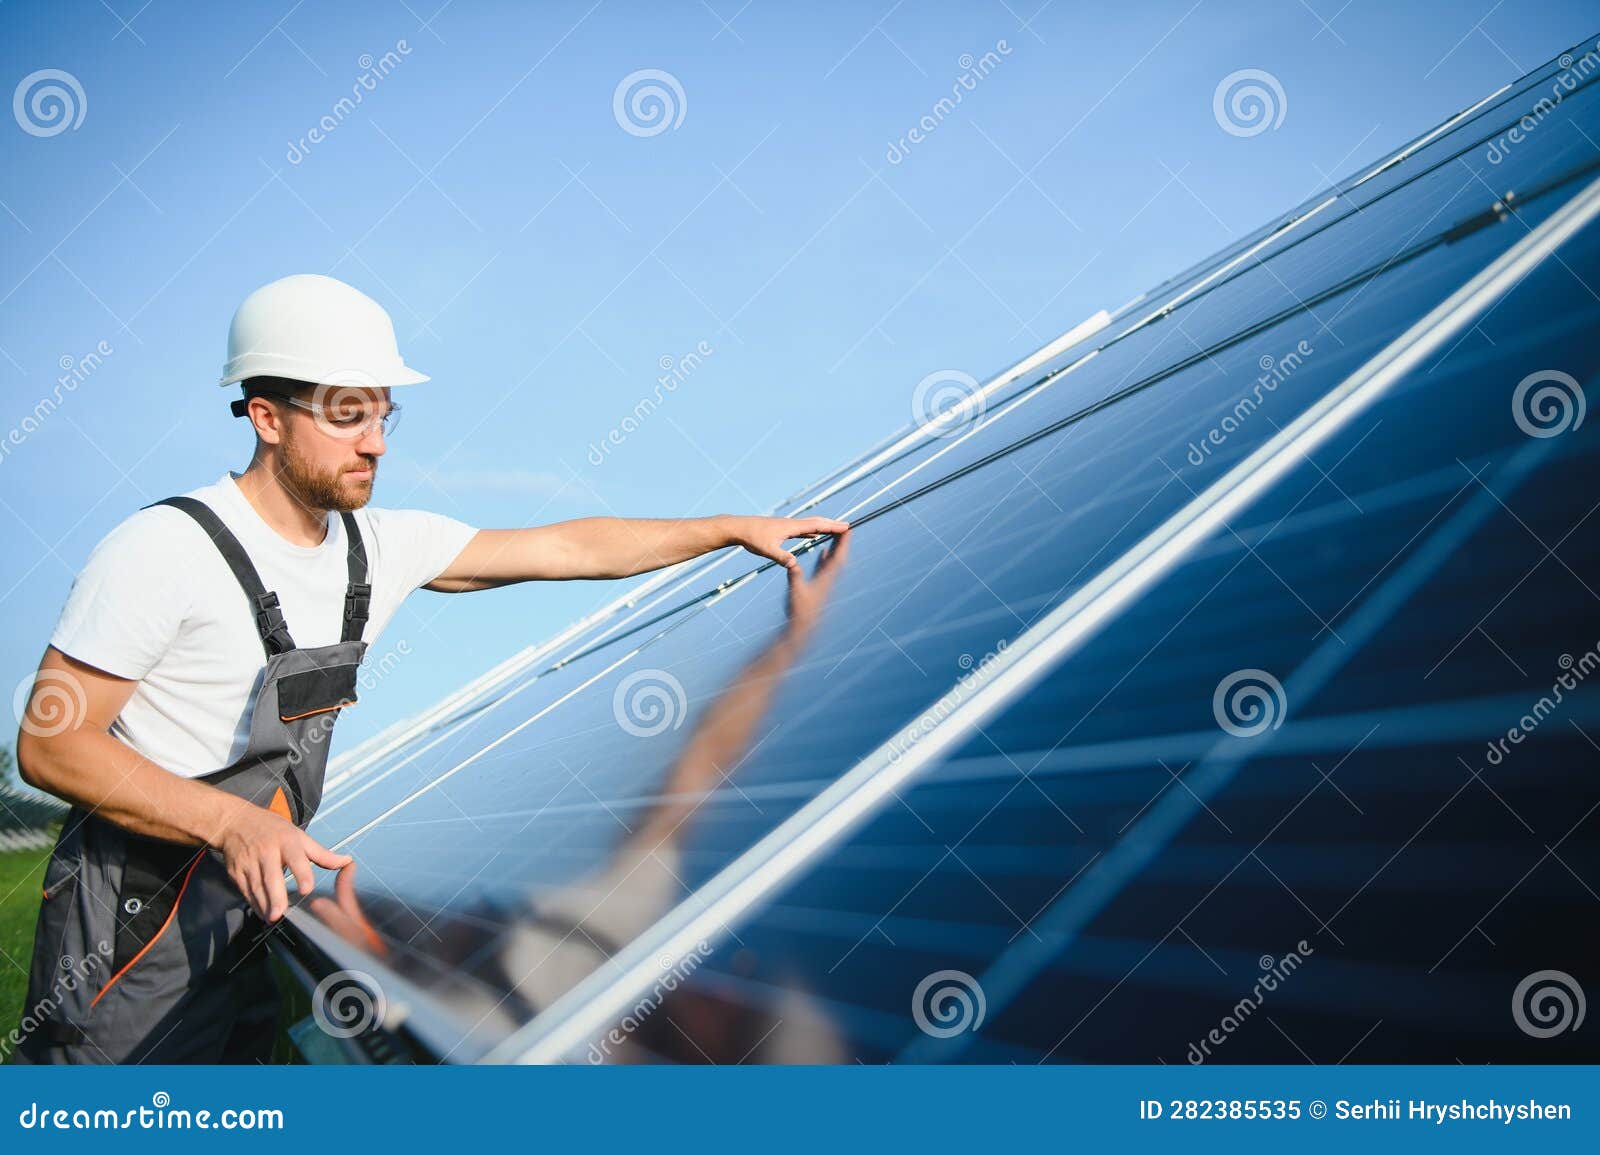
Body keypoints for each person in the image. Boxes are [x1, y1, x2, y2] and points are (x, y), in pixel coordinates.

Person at [11, 273, 847, 1064]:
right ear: (266, 416)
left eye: (383, 416)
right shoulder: (165, 549)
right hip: (129, 922)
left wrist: (729, 527)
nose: (374, 443)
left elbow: (567, 546)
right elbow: (51, 746)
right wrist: (232, 823)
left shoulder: (378, 547)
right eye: (347, 417)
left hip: (251, 909)